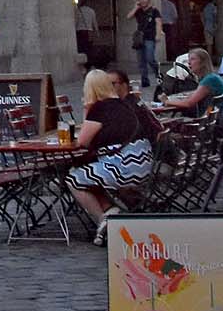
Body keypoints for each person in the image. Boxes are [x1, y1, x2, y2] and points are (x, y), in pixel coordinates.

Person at [65, 67, 158, 240]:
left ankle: (102, 222)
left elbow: (83, 142)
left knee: (73, 179)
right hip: (142, 166)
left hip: (122, 168)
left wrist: (87, 109)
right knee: (90, 175)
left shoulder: (100, 108)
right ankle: (110, 211)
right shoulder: (125, 103)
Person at [158, 47, 223, 116]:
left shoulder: (209, 80)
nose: (189, 62)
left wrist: (166, 101)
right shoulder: (210, 77)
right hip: (219, 116)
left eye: (192, 59)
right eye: (188, 60)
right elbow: (198, 94)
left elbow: (189, 103)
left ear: (202, 62)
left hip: (217, 119)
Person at [130, 0, 162, 87]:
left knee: (150, 58)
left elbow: (158, 22)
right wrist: (136, 7)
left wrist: (158, 35)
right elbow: (129, 16)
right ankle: (145, 80)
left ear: (148, 0)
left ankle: (158, 73)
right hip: (139, 38)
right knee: (141, 60)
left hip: (150, 37)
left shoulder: (154, 11)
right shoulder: (138, 11)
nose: (142, 1)